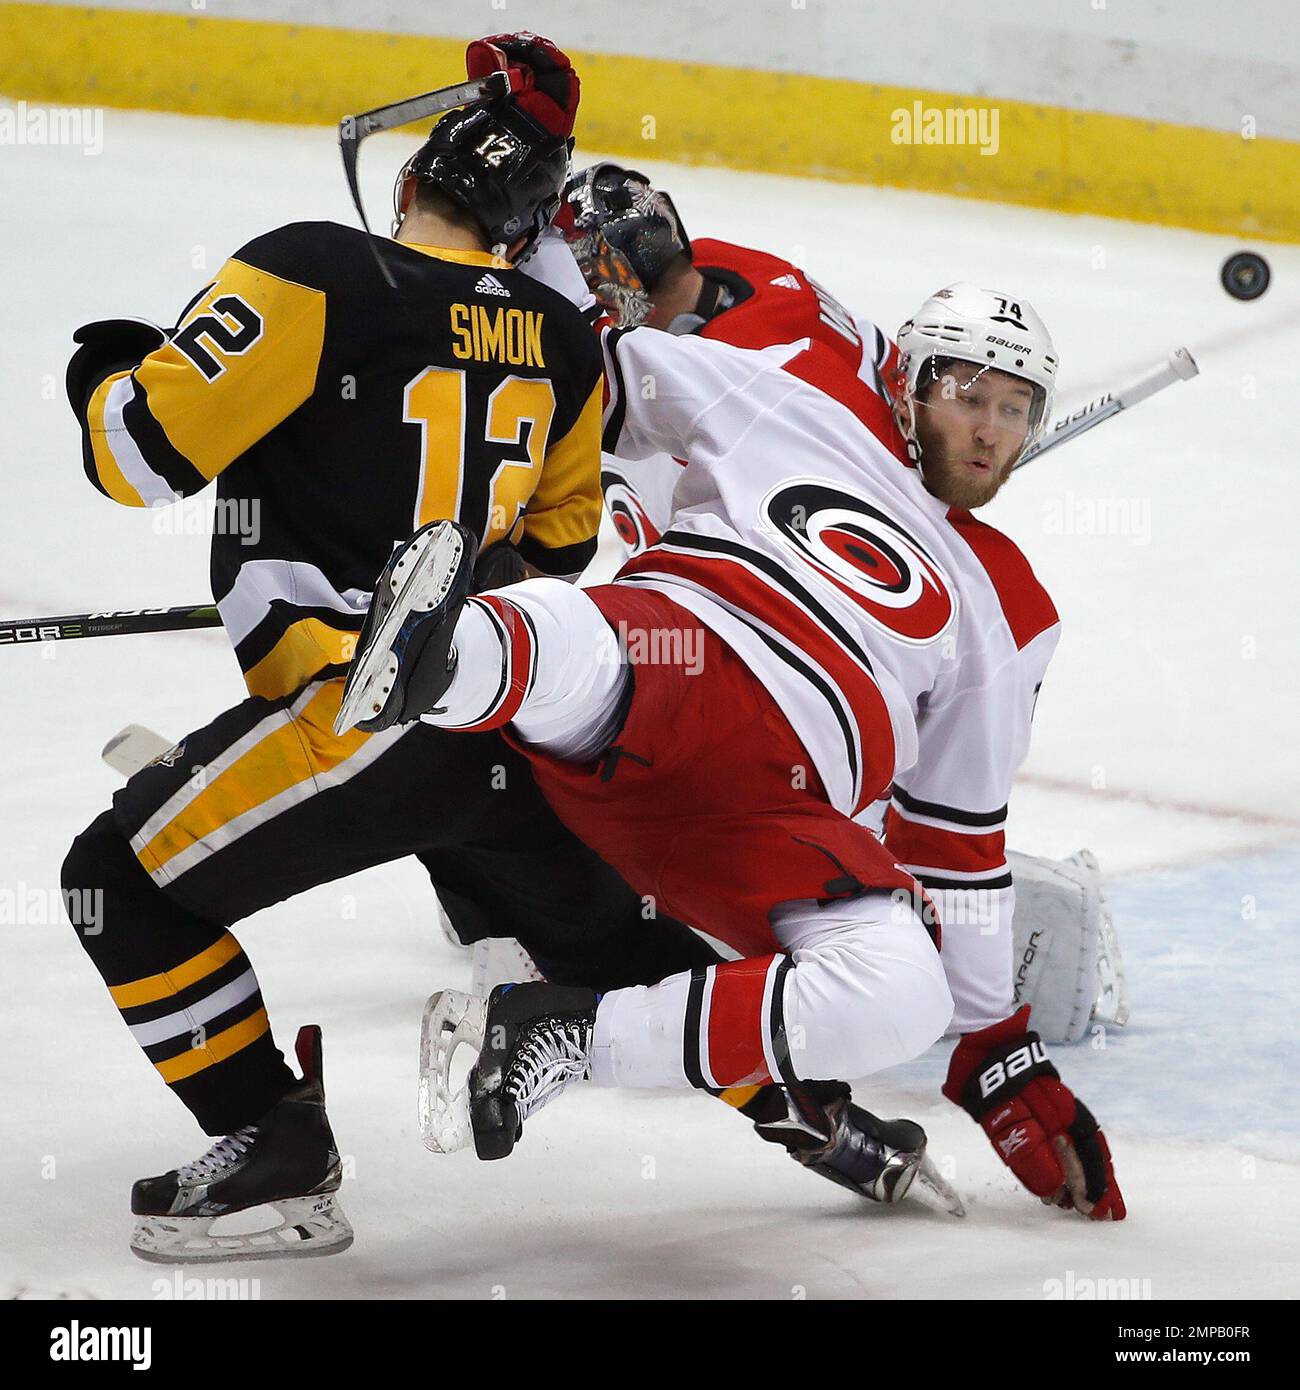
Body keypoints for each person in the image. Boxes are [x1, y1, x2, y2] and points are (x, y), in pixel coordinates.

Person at [58, 33, 725, 1265]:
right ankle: (822, 1100)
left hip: (360, 717)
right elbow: (562, 547)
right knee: (624, 959)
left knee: (119, 886)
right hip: (505, 723)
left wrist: (104, 361)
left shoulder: (315, 269)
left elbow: (137, 454)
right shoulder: (564, 342)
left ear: (414, 177)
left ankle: (274, 1149)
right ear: (523, 228)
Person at [339, 278, 1126, 1222]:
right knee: (593, 645)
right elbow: (578, 373)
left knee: (899, 995)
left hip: (770, 821)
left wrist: (992, 1048)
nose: (991, 430)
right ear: (909, 384)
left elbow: (957, 835)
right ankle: (443, 652)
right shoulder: (801, 399)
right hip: (680, 660)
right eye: (968, 395)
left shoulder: (1007, 606)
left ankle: (568, 1035)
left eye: (1013, 409)